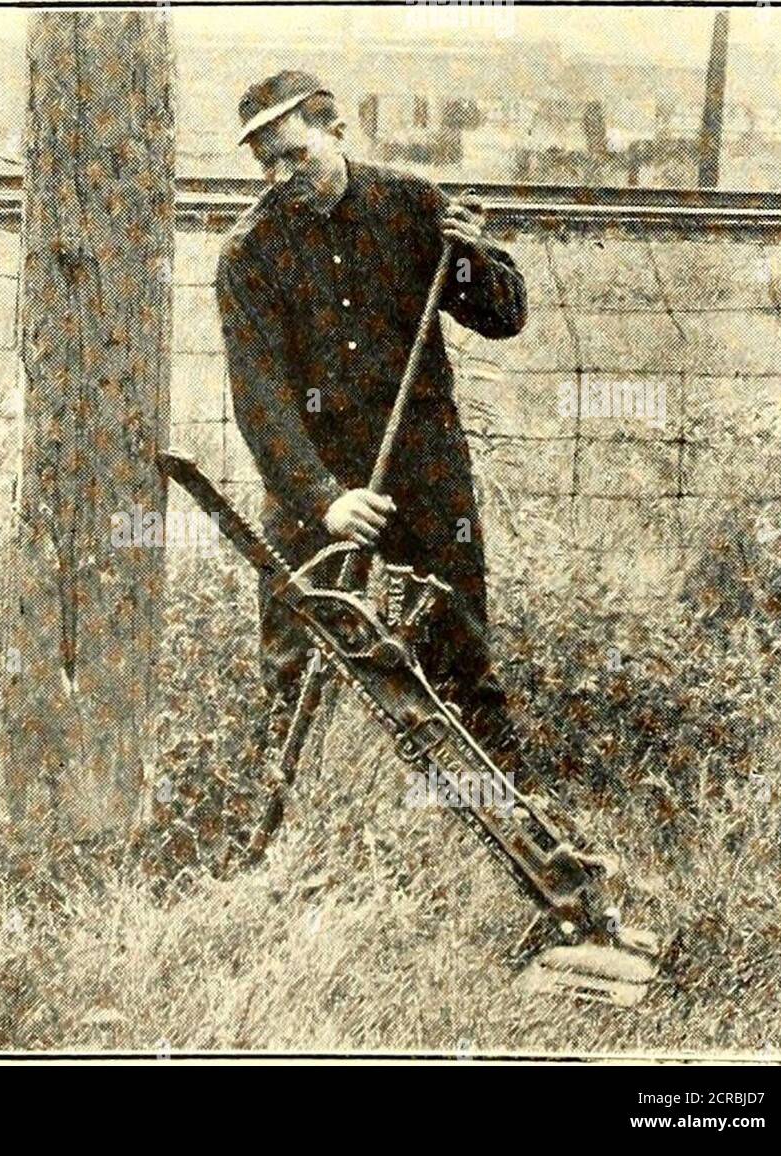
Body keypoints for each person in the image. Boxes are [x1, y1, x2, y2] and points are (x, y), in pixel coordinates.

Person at [214, 69, 528, 777]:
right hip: (315, 480)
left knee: (458, 642)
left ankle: (497, 798)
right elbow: (260, 400)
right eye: (267, 163)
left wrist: (472, 259)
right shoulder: (249, 254)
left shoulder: (414, 205)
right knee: (298, 649)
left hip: (423, 463)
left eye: (296, 154)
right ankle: (293, 799)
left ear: (337, 132)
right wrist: (324, 500)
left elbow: (504, 315)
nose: (282, 174)